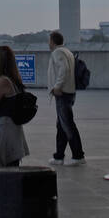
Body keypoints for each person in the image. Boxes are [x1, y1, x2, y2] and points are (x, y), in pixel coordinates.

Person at [0, 45, 29, 166]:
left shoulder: (3, 82)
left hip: (3, 132)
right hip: (13, 131)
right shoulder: (15, 81)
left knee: (2, 171)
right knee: (12, 169)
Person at [47, 29, 84, 166]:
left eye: (49, 41)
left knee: (67, 125)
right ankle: (59, 156)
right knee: (62, 125)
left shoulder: (58, 52)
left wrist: (57, 86)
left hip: (62, 93)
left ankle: (78, 155)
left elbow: (64, 69)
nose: (48, 43)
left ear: (52, 41)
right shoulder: (67, 51)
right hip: (69, 92)